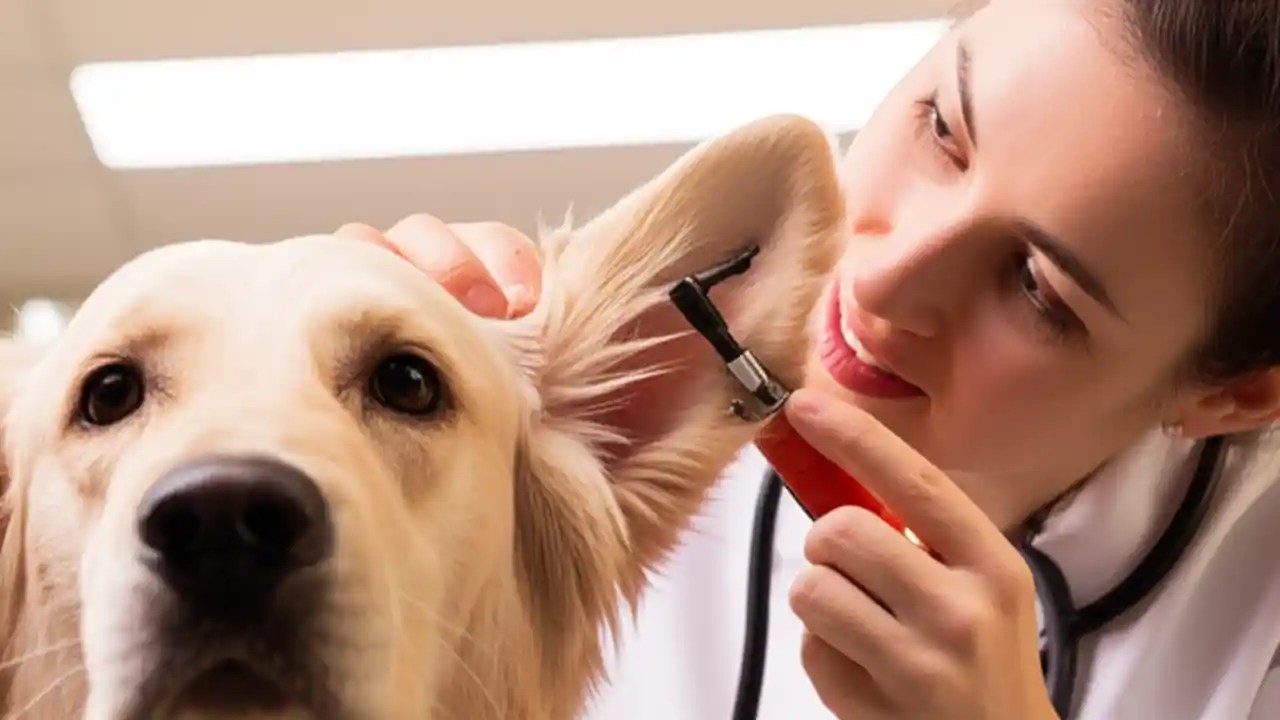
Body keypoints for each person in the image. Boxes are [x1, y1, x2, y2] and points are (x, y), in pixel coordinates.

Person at [334, 0, 1280, 717]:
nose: (882, 283)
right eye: (941, 129)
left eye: (1037, 288)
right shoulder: (619, 384)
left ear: (1236, 396)